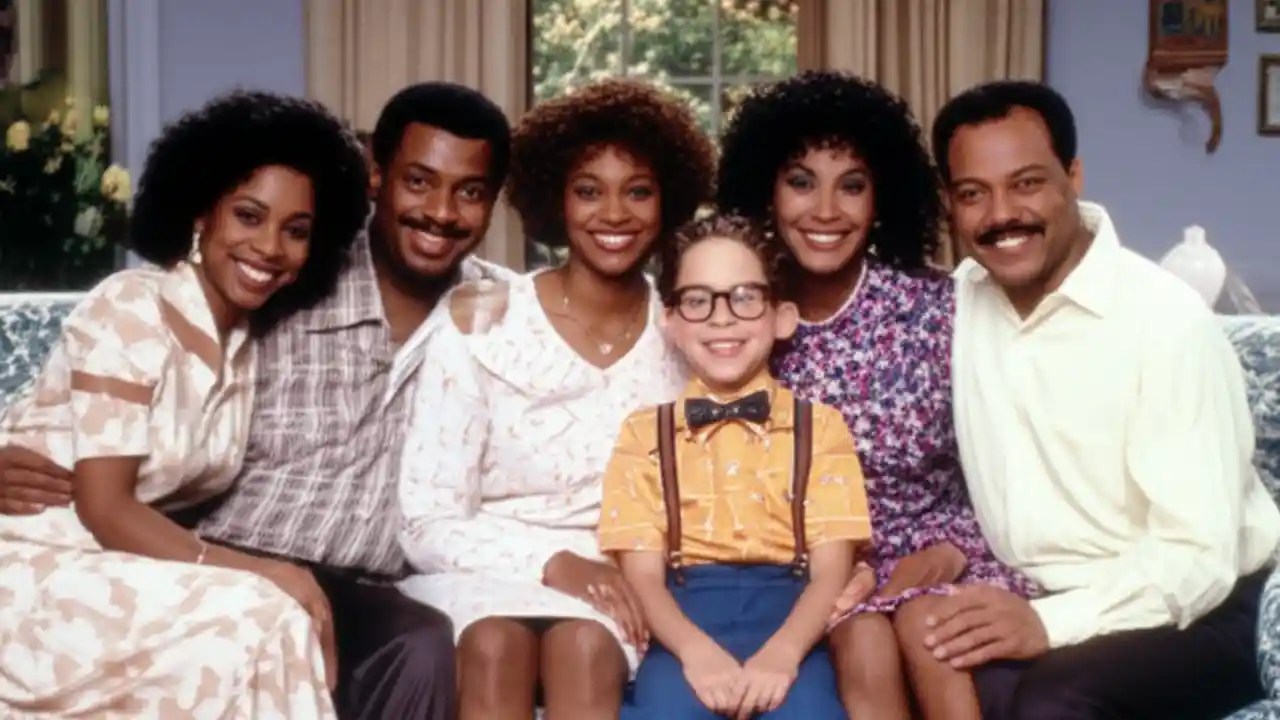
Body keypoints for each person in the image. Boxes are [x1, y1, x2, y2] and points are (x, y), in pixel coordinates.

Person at [0, 80, 514, 719]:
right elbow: (58, 419)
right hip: (121, 557)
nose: (270, 248)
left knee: (414, 638)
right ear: (377, 178)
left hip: (316, 577)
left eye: (469, 193)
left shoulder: (254, 320)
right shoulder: (156, 302)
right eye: (419, 181)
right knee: (268, 618)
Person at [924, 79, 1280, 719]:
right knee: (924, 666)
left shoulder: (1166, 322)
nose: (1001, 214)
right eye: (973, 194)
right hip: (1033, 592)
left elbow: (1198, 559)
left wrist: (1049, 623)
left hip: (1197, 605)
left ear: (1074, 176)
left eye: (1027, 183)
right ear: (950, 203)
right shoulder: (963, 296)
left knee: (1050, 706)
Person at [717, 69, 1037, 719]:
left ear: (881, 195)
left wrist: (950, 552)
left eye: (852, 185)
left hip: (938, 556)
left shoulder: (940, 309)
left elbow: (1005, 470)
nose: (827, 210)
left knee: (931, 631)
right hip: (810, 580)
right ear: (765, 192)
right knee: (862, 639)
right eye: (801, 181)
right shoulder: (736, 320)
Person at [395, 78, 714, 719]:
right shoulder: (483, 318)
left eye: (639, 191)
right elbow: (425, 519)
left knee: (584, 646)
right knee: (492, 645)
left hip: (618, 589)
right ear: (556, 201)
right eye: (588, 190)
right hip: (479, 577)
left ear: (668, 199)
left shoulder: (689, 332)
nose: (615, 214)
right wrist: (554, 563)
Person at [601, 214, 870, 719]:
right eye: (698, 300)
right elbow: (642, 578)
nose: (722, 319)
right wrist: (696, 654)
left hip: (792, 624)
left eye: (744, 297)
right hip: (682, 629)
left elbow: (831, 571)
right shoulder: (644, 435)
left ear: (782, 316)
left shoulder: (822, 428)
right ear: (671, 319)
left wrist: (784, 655)